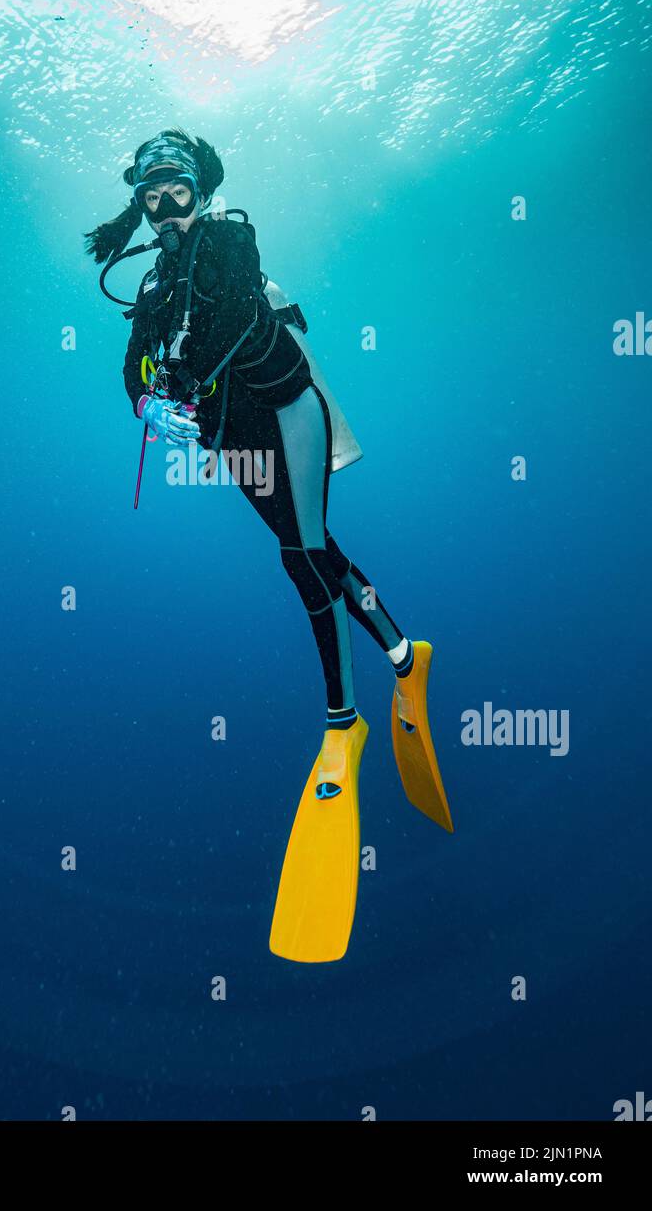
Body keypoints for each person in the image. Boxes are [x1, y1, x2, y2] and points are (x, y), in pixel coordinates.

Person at [86, 129, 453, 960]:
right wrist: (146, 401)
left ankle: (342, 721)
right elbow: (132, 364)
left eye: (178, 189)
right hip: (234, 439)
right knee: (311, 552)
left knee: (302, 554)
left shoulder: (230, 239)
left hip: (289, 413)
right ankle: (404, 654)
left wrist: (184, 374)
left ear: (203, 188)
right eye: (152, 193)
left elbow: (240, 317)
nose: (164, 205)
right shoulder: (150, 282)